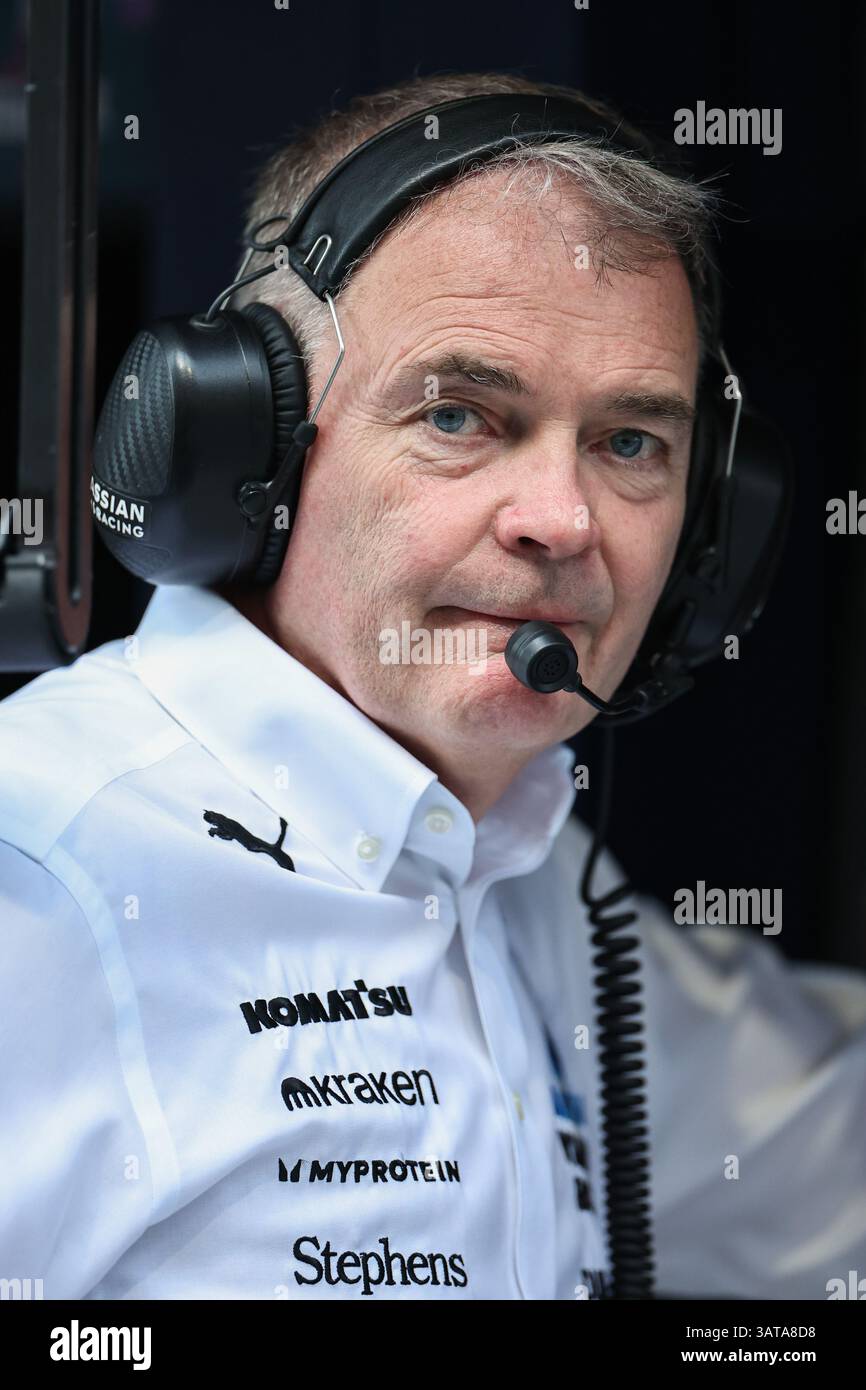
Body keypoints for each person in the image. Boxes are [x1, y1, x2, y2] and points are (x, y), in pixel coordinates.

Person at [1, 71, 864, 1303]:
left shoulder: (528, 875)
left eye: (630, 443)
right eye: (460, 413)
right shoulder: (38, 870)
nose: (561, 522)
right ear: (243, 444)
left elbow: (813, 1158)